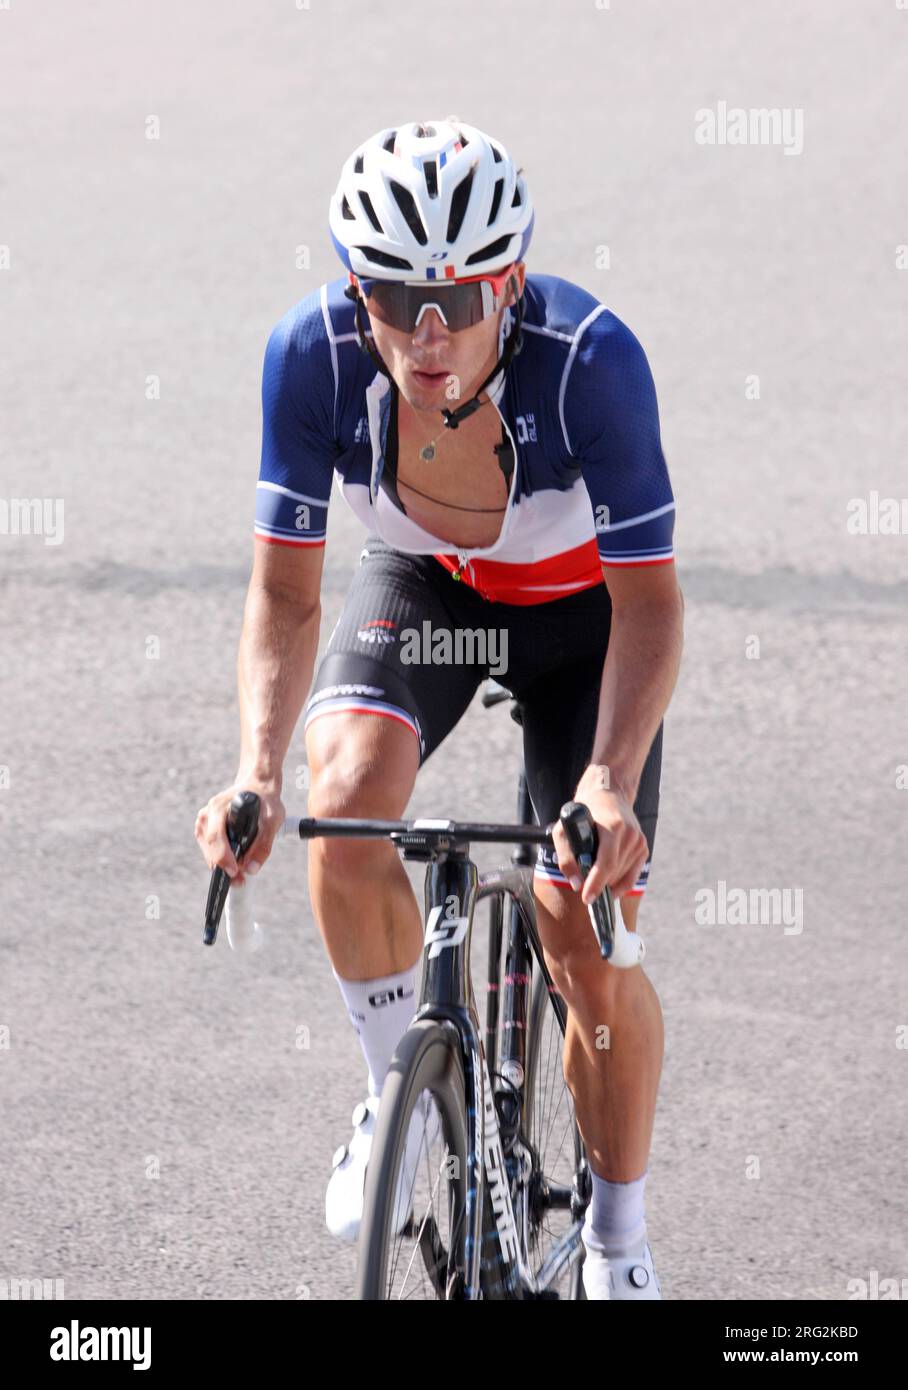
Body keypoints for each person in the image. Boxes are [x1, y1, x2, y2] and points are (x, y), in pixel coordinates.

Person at [195, 117, 684, 1300]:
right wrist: (257, 769)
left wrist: (606, 782)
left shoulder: (589, 363)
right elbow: (285, 589)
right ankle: (394, 1104)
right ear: (353, 284)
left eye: (457, 301)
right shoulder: (307, 358)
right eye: (395, 292)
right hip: (429, 590)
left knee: (583, 934)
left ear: (506, 285)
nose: (425, 333)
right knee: (345, 798)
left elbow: (652, 611)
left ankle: (616, 1237)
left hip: (585, 626)